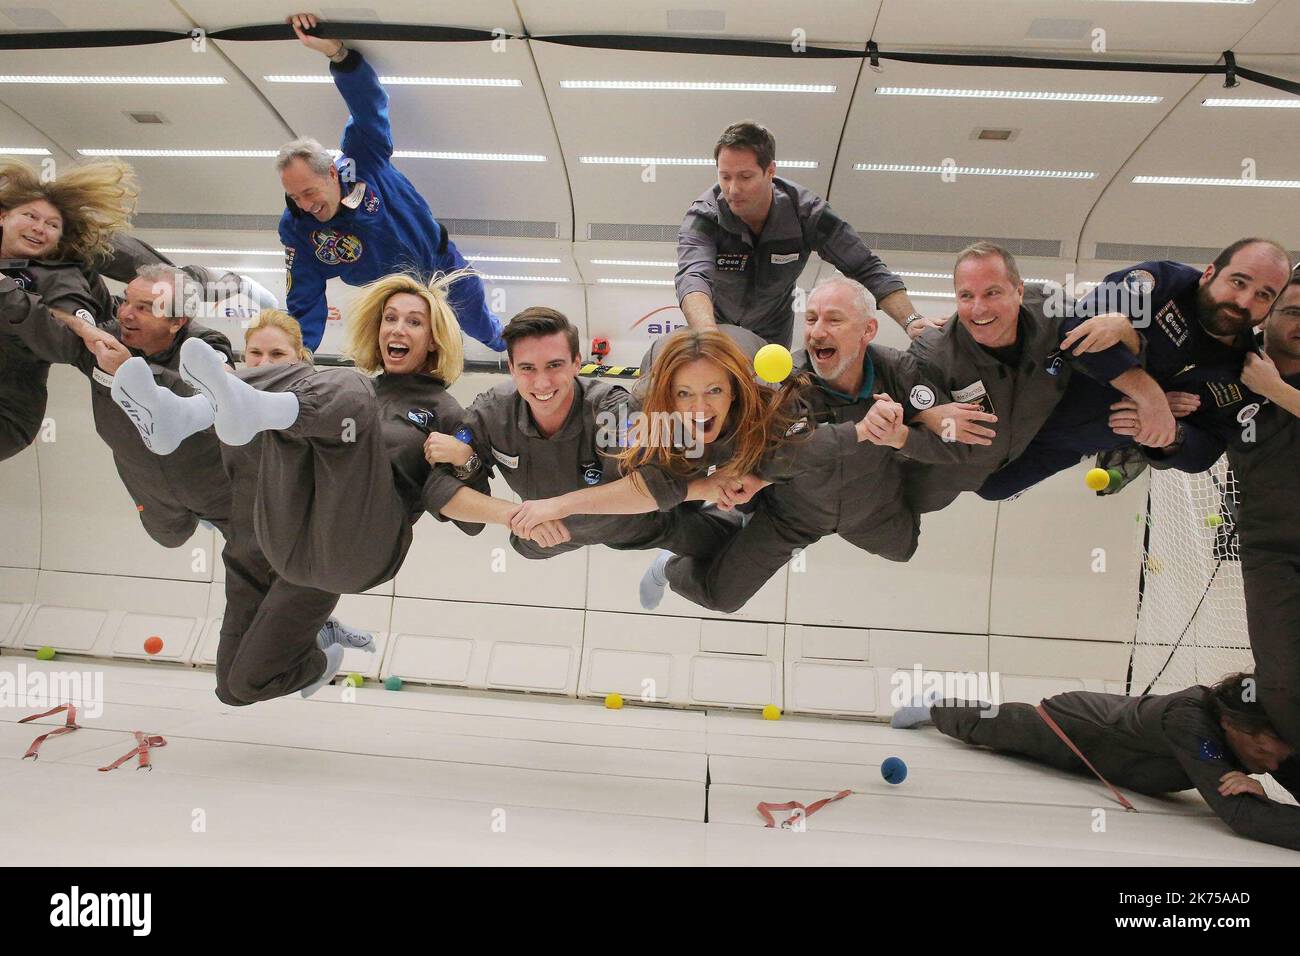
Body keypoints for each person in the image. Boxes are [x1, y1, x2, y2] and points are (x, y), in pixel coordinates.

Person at [640, 277, 972, 614]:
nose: (817, 332)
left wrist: (903, 435)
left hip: (871, 507)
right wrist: (758, 479)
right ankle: (668, 565)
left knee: (905, 547)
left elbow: (955, 447)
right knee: (721, 597)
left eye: (834, 319)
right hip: (794, 514)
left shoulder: (899, 371)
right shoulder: (786, 383)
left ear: (868, 330)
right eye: (811, 319)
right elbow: (786, 453)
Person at [1112, 272, 1300, 749]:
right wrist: (1166, 429)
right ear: (1267, 316)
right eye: (1293, 312)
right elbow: (1197, 451)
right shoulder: (1223, 369)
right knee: (1279, 677)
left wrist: (1277, 390)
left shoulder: (1265, 381)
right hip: (1269, 548)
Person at [976, 239, 1293, 500]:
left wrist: (1169, 433)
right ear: (1210, 273)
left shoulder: (1247, 374)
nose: (1243, 300)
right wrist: (1150, 396)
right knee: (939, 449)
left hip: (1067, 444)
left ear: (1271, 308)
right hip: (1023, 394)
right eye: (1238, 281)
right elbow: (1078, 329)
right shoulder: (1164, 283)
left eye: (1263, 295)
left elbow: (1206, 451)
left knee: (989, 488)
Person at [421, 307, 741, 559]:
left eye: (554, 366)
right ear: (512, 367)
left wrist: (555, 506)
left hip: (638, 522)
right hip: (553, 537)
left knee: (726, 544)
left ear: (577, 363)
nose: (542, 383)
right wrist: (515, 515)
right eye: (528, 368)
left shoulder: (612, 409)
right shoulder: (492, 411)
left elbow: (654, 483)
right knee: (522, 545)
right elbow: (439, 491)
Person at [276, 12, 505, 352]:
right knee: (393, 344)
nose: (305, 205)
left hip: (437, 263)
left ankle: (504, 342)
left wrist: (338, 54)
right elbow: (304, 297)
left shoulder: (362, 159)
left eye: (309, 192)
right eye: (294, 197)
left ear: (333, 173)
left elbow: (369, 106)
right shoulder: (298, 228)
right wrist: (299, 354)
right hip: (387, 294)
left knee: (476, 318)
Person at [891, 673, 1300, 852]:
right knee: (994, 726)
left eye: (1276, 754)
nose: (1269, 763)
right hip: (1078, 726)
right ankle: (936, 705)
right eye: (1260, 752)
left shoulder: (1266, 733)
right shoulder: (1191, 722)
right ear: (1229, 723)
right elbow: (1242, 814)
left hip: (1127, 757)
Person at [1, 263, 234, 546]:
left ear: (177, 322)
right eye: (125, 300)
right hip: (148, 486)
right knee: (169, 538)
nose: (125, 314)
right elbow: (48, 324)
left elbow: (215, 399)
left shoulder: (205, 345)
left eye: (144, 308)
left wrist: (130, 372)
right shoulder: (105, 338)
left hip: (212, 482)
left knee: (250, 549)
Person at [211, 310, 371, 706]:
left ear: (301, 358)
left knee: (249, 682)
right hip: (248, 556)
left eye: (277, 355)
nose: (263, 364)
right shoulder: (228, 408)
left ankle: (319, 655)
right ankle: (313, 636)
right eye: (255, 354)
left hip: (305, 566)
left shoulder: (320, 407)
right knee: (229, 691)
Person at [903, 242, 1135, 513]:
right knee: (992, 489)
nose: (979, 309)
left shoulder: (1051, 306)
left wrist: (1124, 328)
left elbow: (1107, 349)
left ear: (1020, 291)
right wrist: (922, 417)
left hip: (1048, 426)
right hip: (982, 471)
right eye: (966, 296)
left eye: (992, 293)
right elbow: (888, 415)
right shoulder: (932, 355)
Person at [675, 120, 932, 348]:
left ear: (770, 171)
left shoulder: (807, 214)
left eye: (745, 177)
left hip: (772, 333)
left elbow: (865, 266)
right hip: (715, 324)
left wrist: (911, 320)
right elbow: (693, 277)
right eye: (725, 176)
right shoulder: (704, 216)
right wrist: (708, 337)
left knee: (771, 396)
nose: (733, 189)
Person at [0, 157, 137, 461]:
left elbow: (66, 342)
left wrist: (7, 292)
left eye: (52, 225)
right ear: (3, 217)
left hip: (8, 415)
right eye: (30, 216)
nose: (39, 228)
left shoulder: (58, 276)